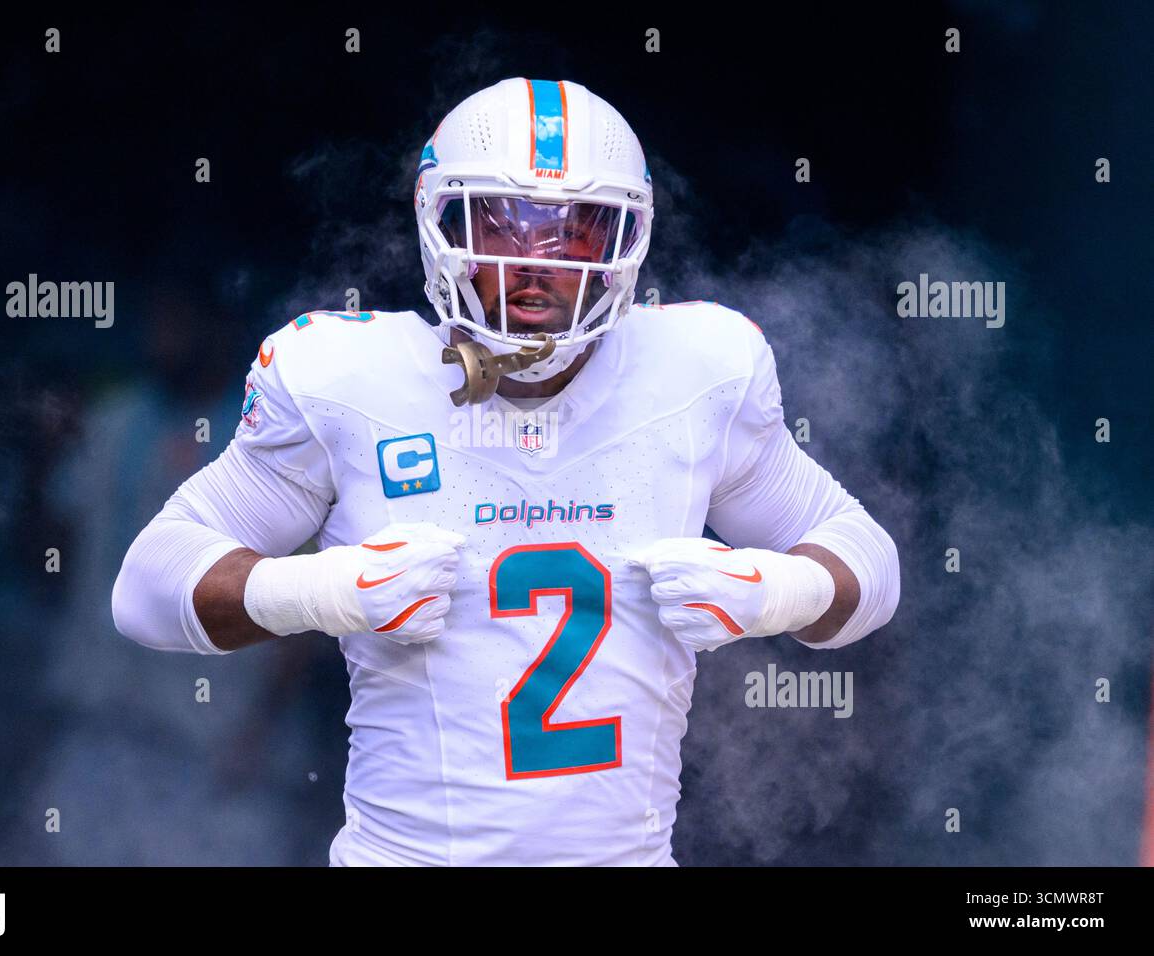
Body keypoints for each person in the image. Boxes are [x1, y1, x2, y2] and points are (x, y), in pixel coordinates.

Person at [113, 78, 900, 866]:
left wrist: (773, 592)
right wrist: (320, 592)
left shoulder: (699, 376)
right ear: (441, 224)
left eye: (575, 230)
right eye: (504, 222)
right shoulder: (346, 381)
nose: (534, 260)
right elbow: (145, 588)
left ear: (629, 242)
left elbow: (870, 563)